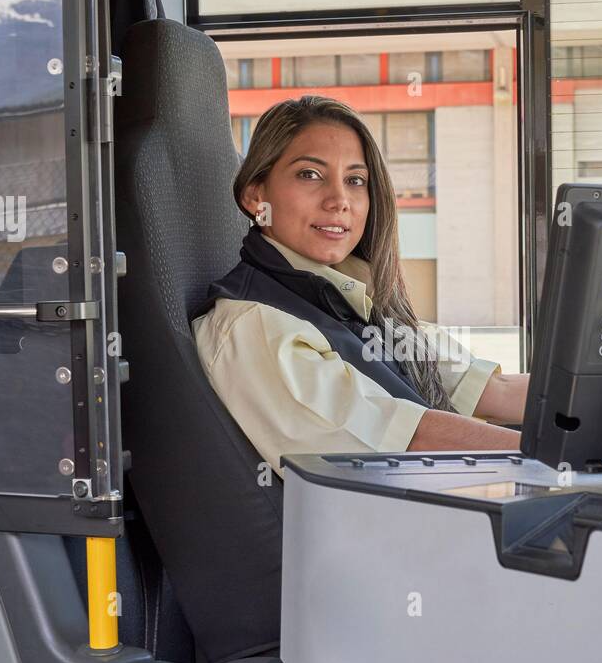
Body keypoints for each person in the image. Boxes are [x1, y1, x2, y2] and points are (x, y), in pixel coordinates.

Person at [193, 95, 529, 478]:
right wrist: (555, 459)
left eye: (355, 180)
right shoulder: (252, 325)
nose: (339, 201)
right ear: (256, 195)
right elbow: (407, 440)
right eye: (309, 174)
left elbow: (495, 389)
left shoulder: (355, 302)